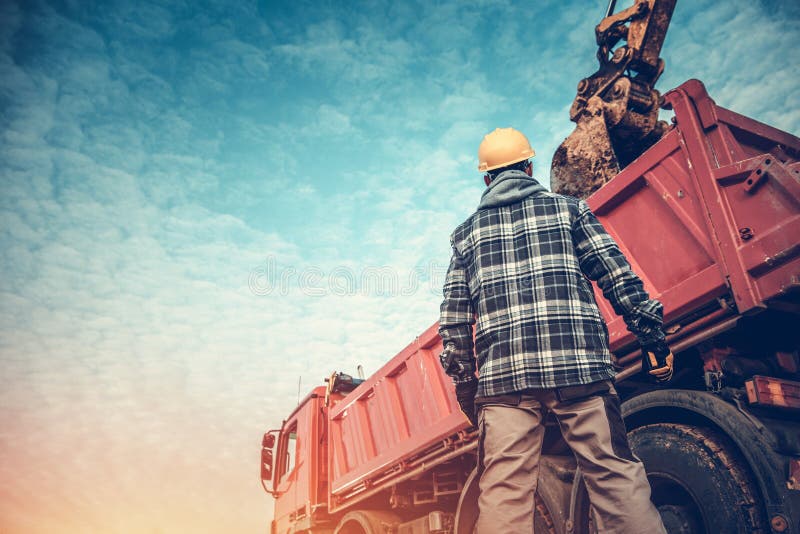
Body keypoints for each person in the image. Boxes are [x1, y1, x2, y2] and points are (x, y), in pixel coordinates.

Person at [438, 127, 673, 533]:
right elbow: (618, 277)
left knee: (503, 496)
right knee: (615, 478)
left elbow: (454, 319)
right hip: (580, 372)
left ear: (486, 178)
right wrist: (653, 339)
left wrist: (465, 385)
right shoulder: (569, 210)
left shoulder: (465, 236)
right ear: (530, 166)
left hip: (504, 386)